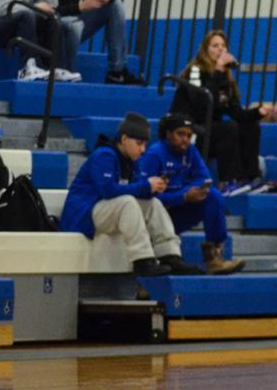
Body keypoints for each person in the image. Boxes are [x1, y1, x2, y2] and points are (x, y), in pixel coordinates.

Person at [59, 112, 196, 277]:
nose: (143, 149)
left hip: (106, 211)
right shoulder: (103, 155)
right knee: (127, 202)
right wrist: (145, 186)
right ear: (124, 139)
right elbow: (108, 191)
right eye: (139, 144)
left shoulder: (132, 161)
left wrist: (152, 188)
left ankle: (169, 255)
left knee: (153, 203)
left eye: (145, 144)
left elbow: (136, 190)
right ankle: (142, 259)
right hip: (84, 215)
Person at [138, 112, 243, 274]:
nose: (185, 139)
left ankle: (214, 256)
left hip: (178, 211)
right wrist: (183, 196)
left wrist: (186, 193)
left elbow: (204, 178)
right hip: (156, 216)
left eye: (188, 135)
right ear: (168, 134)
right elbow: (146, 197)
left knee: (213, 195)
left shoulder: (190, 151)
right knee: (155, 203)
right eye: (181, 134)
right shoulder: (154, 155)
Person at [177, 30, 277, 194]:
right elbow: (202, 102)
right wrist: (217, 70)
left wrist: (259, 112)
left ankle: (250, 178)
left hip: (212, 132)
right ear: (205, 50)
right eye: (215, 45)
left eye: (223, 46)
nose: (220, 49)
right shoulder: (195, 71)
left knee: (250, 127)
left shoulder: (225, 79)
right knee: (228, 128)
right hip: (192, 130)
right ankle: (228, 181)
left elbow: (238, 114)